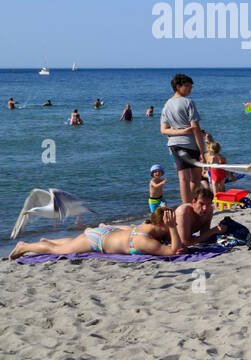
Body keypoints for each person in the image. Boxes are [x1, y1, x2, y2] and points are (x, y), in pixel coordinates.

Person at [9, 209, 186, 260]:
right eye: (170, 223)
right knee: (59, 251)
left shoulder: (145, 226)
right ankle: (25, 246)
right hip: (98, 240)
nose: (174, 226)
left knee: (71, 242)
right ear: (162, 224)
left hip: (104, 232)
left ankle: (47, 240)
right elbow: (173, 251)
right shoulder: (144, 241)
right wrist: (172, 228)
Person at [160, 73, 205, 206]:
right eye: (187, 86)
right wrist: (202, 150)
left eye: (191, 86)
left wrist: (180, 131)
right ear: (178, 87)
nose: (190, 89)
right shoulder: (188, 102)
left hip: (174, 145)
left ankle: (187, 206)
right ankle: (193, 204)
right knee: (195, 178)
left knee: (183, 178)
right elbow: (195, 127)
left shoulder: (166, 105)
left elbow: (164, 130)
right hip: (191, 144)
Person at [174, 184, 228, 249]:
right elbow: (185, 242)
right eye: (201, 204)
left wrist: (218, 230)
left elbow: (204, 235)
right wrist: (213, 231)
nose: (205, 208)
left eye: (208, 204)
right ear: (193, 202)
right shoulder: (183, 212)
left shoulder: (209, 210)